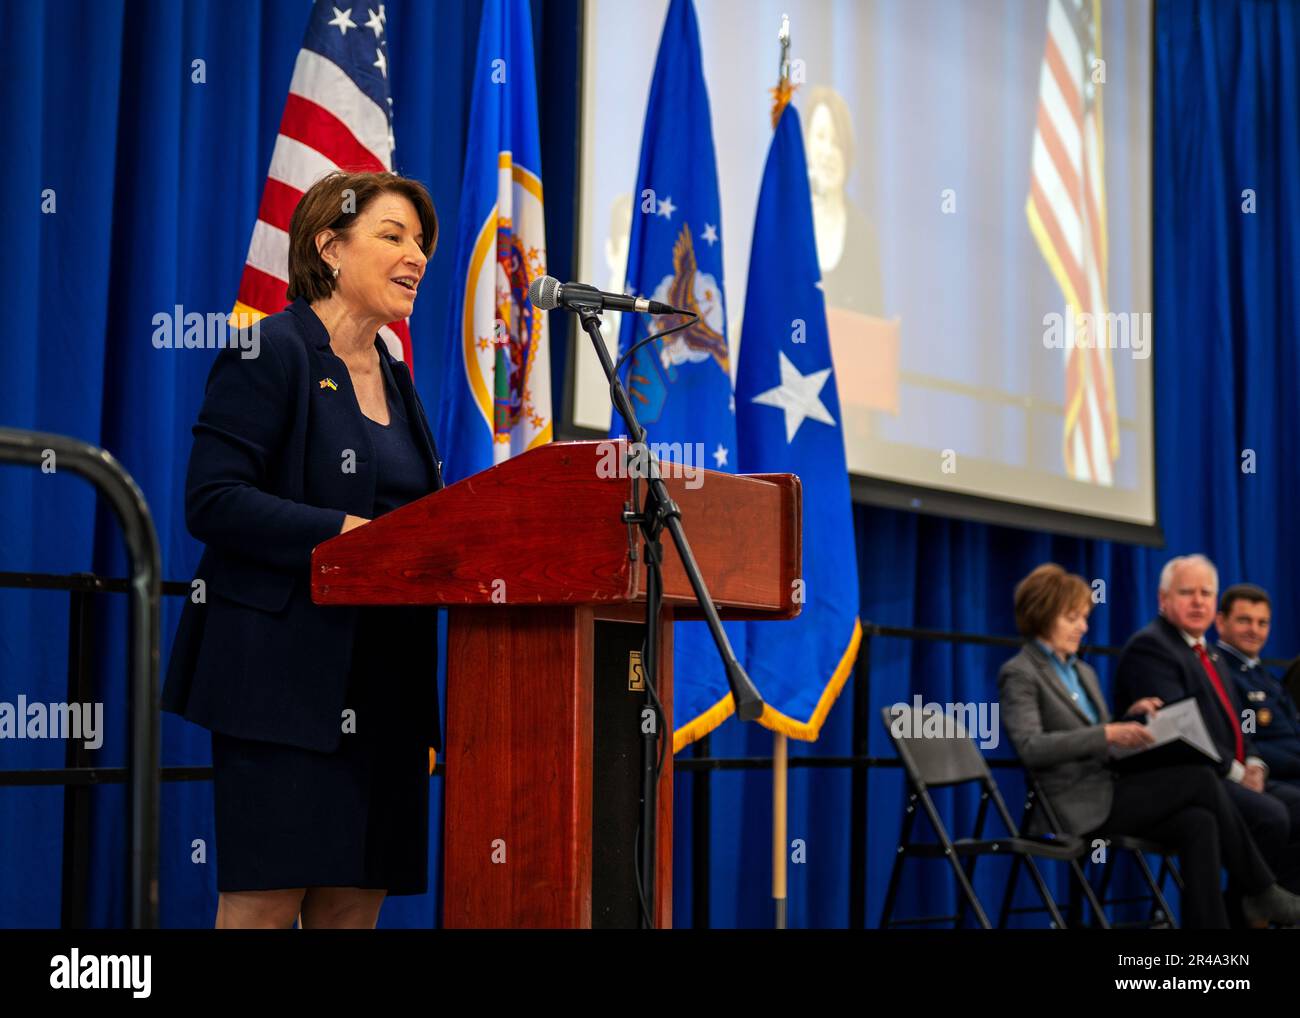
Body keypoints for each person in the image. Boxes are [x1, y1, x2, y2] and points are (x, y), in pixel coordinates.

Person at [161, 170, 443, 929]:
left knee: (353, 907)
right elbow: (212, 501)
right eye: (393, 236)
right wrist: (347, 538)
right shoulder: (270, 352)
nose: (416, 255)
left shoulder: (396, 375)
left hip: (386, 685)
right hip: (282, 681)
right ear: (329, 245)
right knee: (264, 904)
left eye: (420, 242)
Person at [999, 563, 1300, 927]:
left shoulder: (1083, 672)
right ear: (1043, 616)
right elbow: (1031, 747)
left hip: (1109, 786)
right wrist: (1108, 733)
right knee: (1200, 779)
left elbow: (1099, 734)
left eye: (1083, 617)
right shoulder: (1020, 673)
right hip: (1074, 803)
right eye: (1073, 617)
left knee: (1199, 821)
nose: (1083, 627)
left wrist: (1128, 718)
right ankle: (1262, 890)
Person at [1114, 554, 1300, 891]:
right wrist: (1239, 771)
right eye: (1187, 592)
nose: (1198, 601)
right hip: (1182, 781)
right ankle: (1257, 907)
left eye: (1206, 593)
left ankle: (1279, 908)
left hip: (1225, 772)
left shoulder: (1208, 655)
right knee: (1271, 816)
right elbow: (1179, 732)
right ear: (1163, 599)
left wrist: (1254, 760)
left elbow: (1234, 727)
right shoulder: (1152, 647)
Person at [1215, 583, 1300, 789]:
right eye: (1245, 621)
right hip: (1272, 780)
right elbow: (1249, 742)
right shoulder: (1224, 674)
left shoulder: (1264, 677)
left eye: (1262, 623)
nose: (1254, 630)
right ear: (1220, 622)